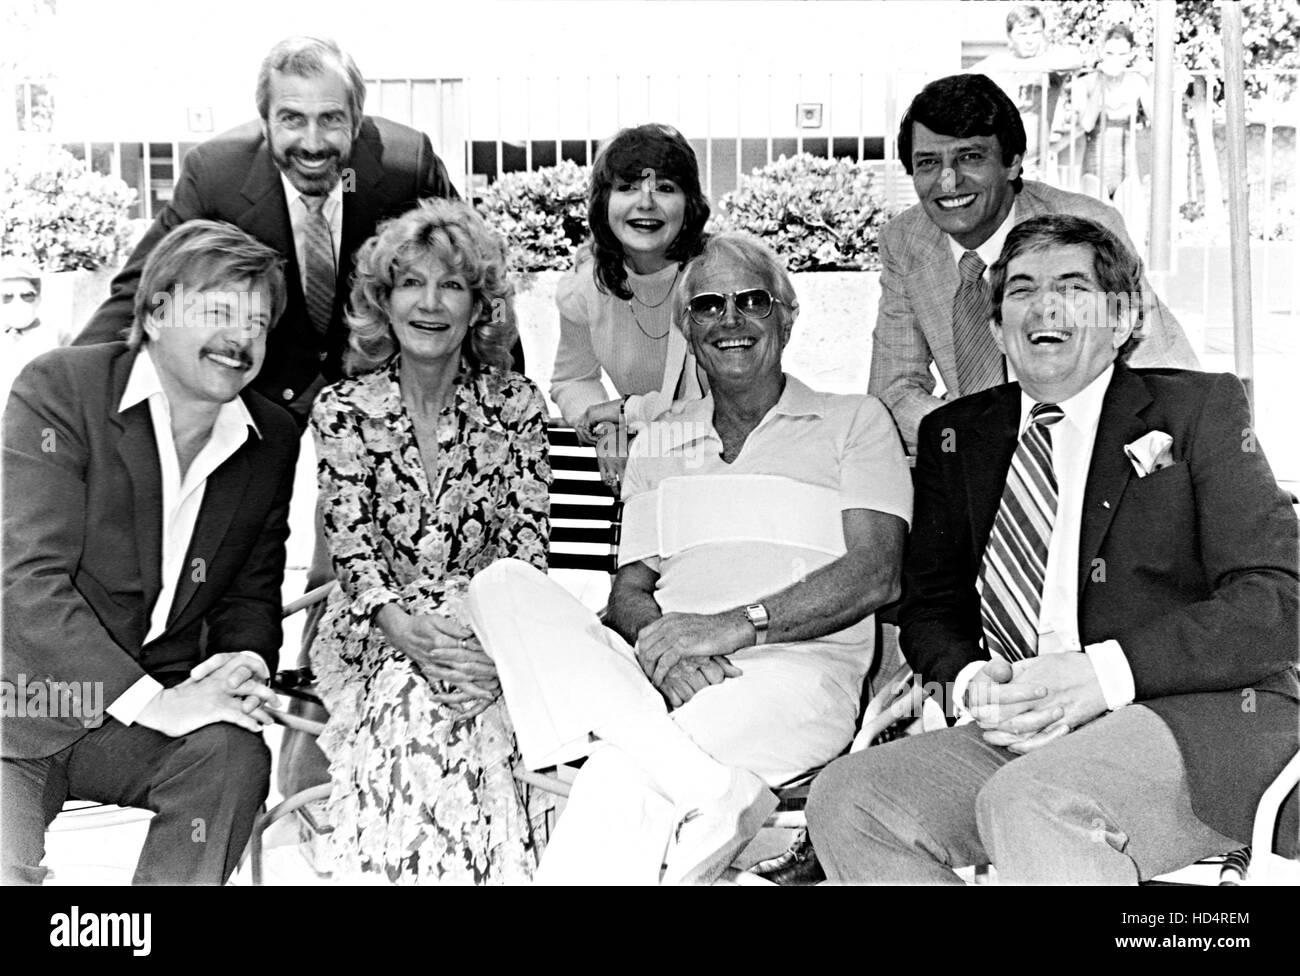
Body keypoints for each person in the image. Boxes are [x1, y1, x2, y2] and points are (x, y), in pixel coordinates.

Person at [808, 215, 1299, 884]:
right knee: (850, 800)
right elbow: (931, 604)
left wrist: (1103, 675)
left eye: (1072, 287)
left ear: (1123, 318)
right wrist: (976, 683)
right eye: (1021, 290)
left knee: (1034, 800)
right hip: (1025, 729)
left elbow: (1276, 600)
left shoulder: (1198, 411)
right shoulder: (960, 437)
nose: (1044, 306)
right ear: (995, 327)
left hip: (1196, 720)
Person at [468, 233, 912, 884]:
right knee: (500, 585)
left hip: (788, 679)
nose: (729, 321)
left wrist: (734, 625)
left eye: (751, 300)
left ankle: (700, 786)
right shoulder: (664, 441)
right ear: (686, 327)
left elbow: (875, 573)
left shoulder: (855, 422)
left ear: (786, 314)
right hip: (662, 675)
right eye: (707, 306)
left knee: (623, 777)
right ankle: (710, 788)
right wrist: (663, 649)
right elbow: (629, 592)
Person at [1, 221, 299, 885]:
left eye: (258, 322)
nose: (241, 338)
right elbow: (26, 584)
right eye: (219, 312)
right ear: (157, 312)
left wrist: (240, 663)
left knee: (231, 754)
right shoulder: (61, 390)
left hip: (140, 726)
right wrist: (157, 703)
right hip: (17, 714)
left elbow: (251, 590)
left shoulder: (269, 437)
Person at [307, 199, 551, 884]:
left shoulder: (516, 404)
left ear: (479, 307)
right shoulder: (343, 410)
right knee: (419, 706)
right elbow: (350, 545)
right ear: (382, 304)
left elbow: (526, 547)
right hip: (378, 625)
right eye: (411, 283)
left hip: (492, 630)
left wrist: (486, 645)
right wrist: (406, 627)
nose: (431, 303)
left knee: (477, 711)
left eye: (452, 285)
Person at [73, 35, 463, 423]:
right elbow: (146, 294)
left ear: (356, 120)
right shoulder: (215, 176)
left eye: (331, 120)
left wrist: (509, 395)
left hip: (381, 410)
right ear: (265, 121)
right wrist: (71, 387)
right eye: (292, 119)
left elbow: (477, 276)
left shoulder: (406, 166)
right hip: (260, 412)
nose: (312, 143)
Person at [867, 71, 1198, 454]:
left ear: (1012, 163)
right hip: (972, 458)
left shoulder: (1085, 230)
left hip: (1090, 450)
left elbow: (1162, 370)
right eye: (927, 163)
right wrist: (973, 435)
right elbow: (894, 390)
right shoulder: (905, 241)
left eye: (970, 157)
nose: (947, 181)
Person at [551, 123, 711, 487]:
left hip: (721, 469)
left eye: (665, 189)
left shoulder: (717, 277)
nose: (646, 203)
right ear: (604, 202)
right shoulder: (586, 287)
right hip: (649, 476)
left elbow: (734, 400)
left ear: (690, 205)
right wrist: (606, 426)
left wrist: (626, 413)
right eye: (627, 188)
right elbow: (573, 378)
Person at [966, 3, 1084, 178]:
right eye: (1022, 34)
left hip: (1034, 166)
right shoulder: (998, 64)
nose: (1030, 40)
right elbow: (962, 78)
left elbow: (1076, 58)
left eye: (1035, 33)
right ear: (1010, 37)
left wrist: (1029, 66)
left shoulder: (1050, 66)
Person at [1079, 25, 1152, 234]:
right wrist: (1102, 79)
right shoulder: (1088, 82)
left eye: (1121, 54)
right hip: (1094, 168)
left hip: (1127, 170)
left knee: (1132, 234)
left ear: (1130, 55)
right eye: (1110, 53)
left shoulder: (1136, 82)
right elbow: (1087, 123)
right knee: (1091, 235)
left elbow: (1157, 121)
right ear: (1102, 52)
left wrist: (1151, 79)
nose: (1115, 59)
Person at [1, 260, 57, 400]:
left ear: (38, 299)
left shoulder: (57, 337)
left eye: (26, 296)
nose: (17, 303)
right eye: (7, 297)